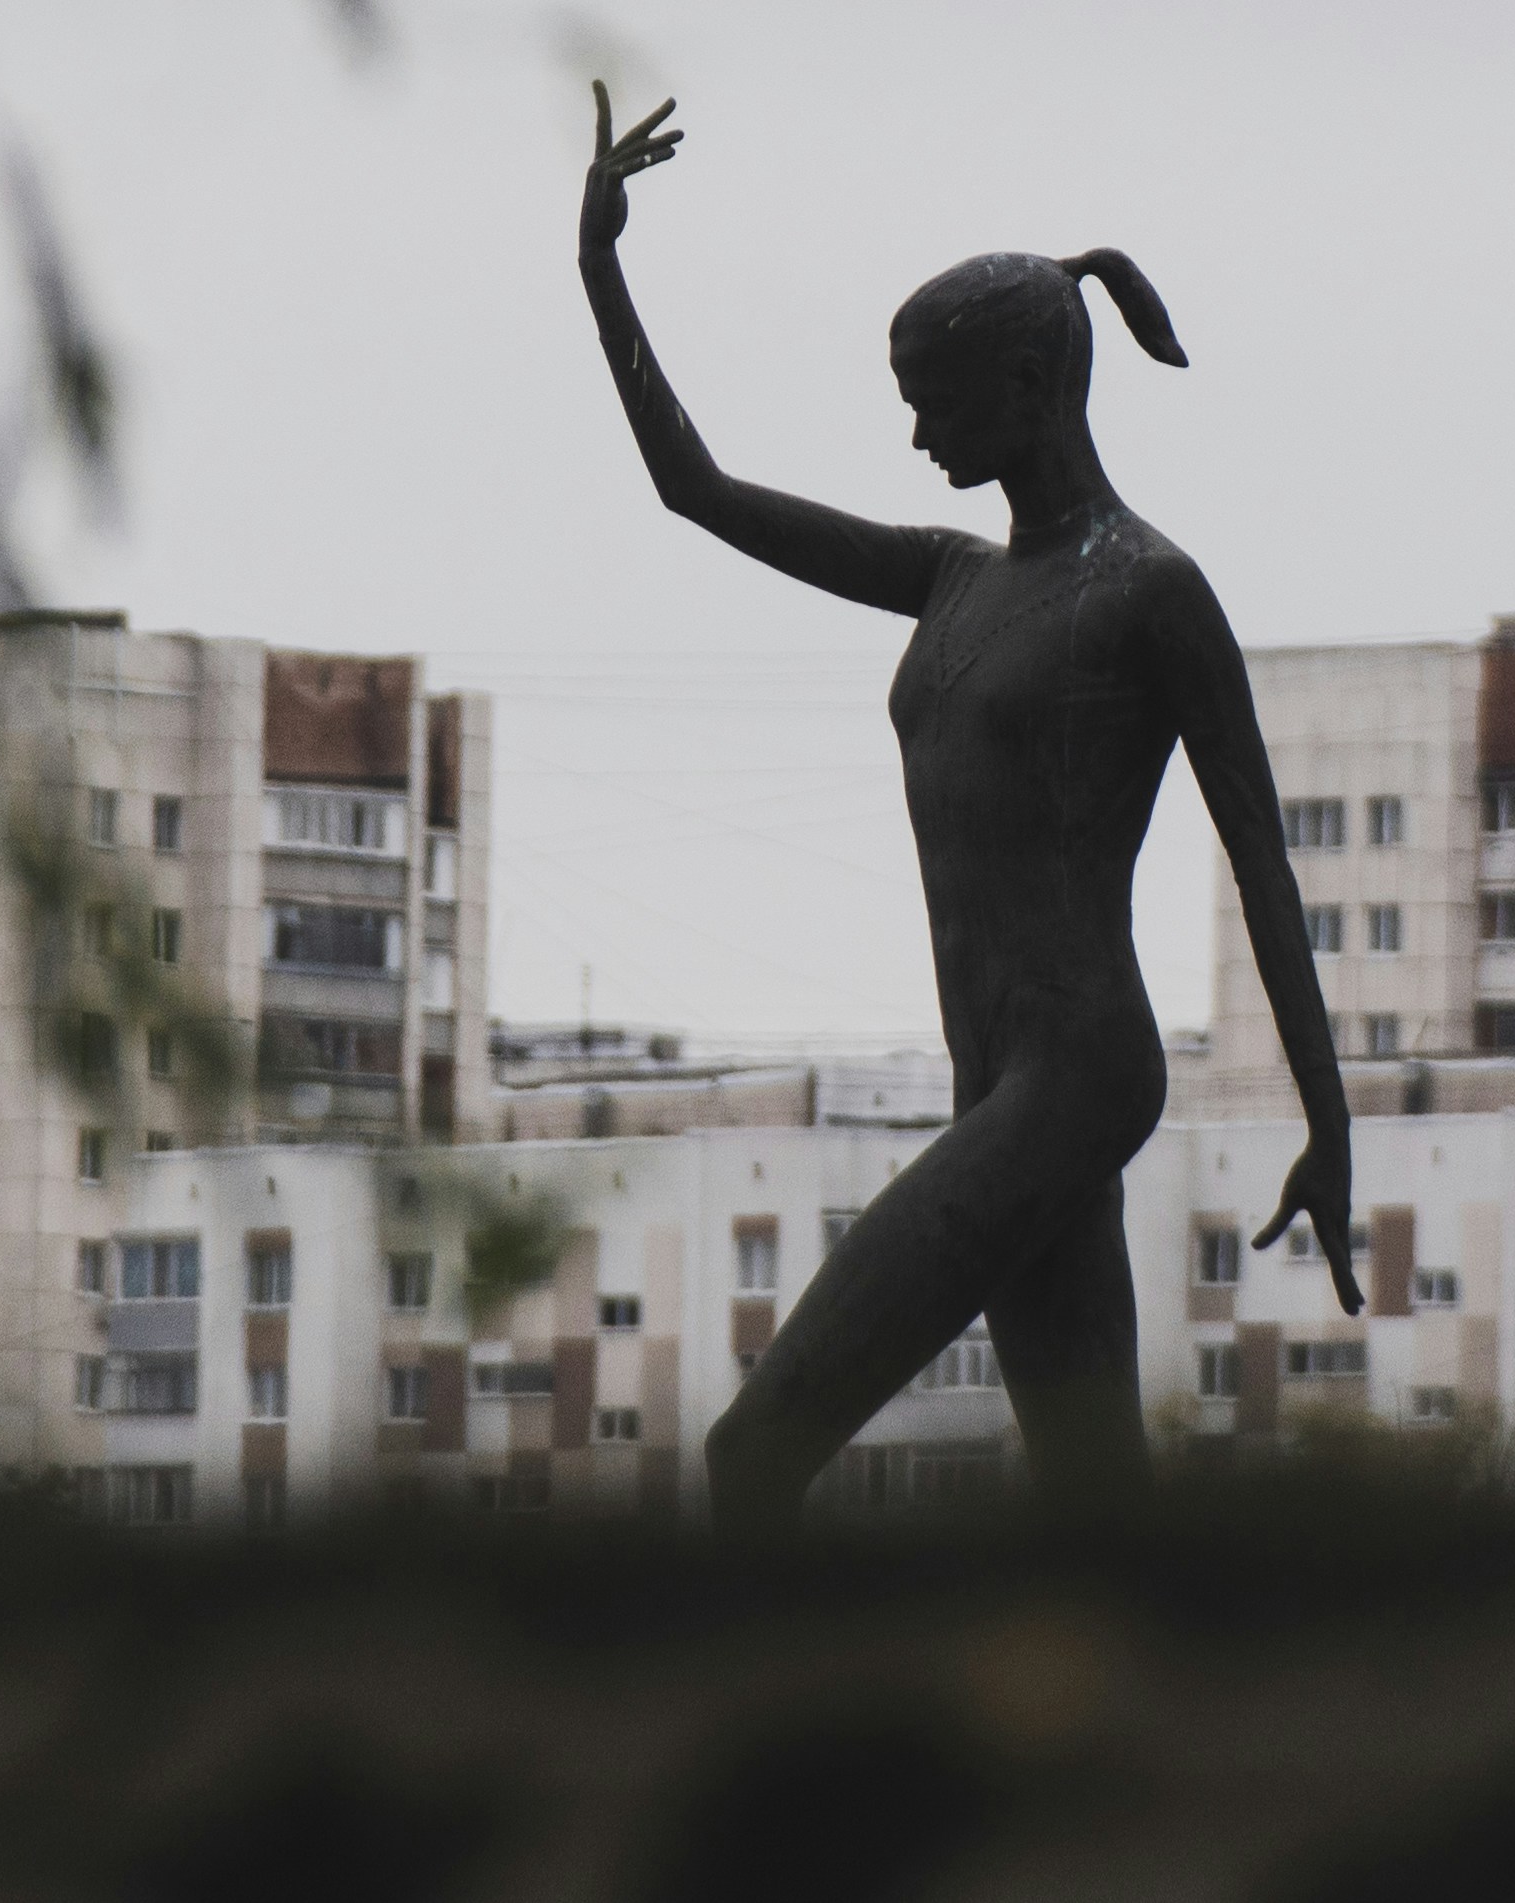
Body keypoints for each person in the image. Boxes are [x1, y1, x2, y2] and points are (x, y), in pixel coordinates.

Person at [576, 86, 1358, 1523]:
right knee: (1095, 1500)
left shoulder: (1152, 592)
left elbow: (1262, 863)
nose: (918, 435)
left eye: (936, 403)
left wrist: (1331, 1124)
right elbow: (695, 490)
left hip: (1077, 1076)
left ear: (1031, 387)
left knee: (756, 1450)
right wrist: (600, 270)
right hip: (995, 1079)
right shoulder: (949, 577)